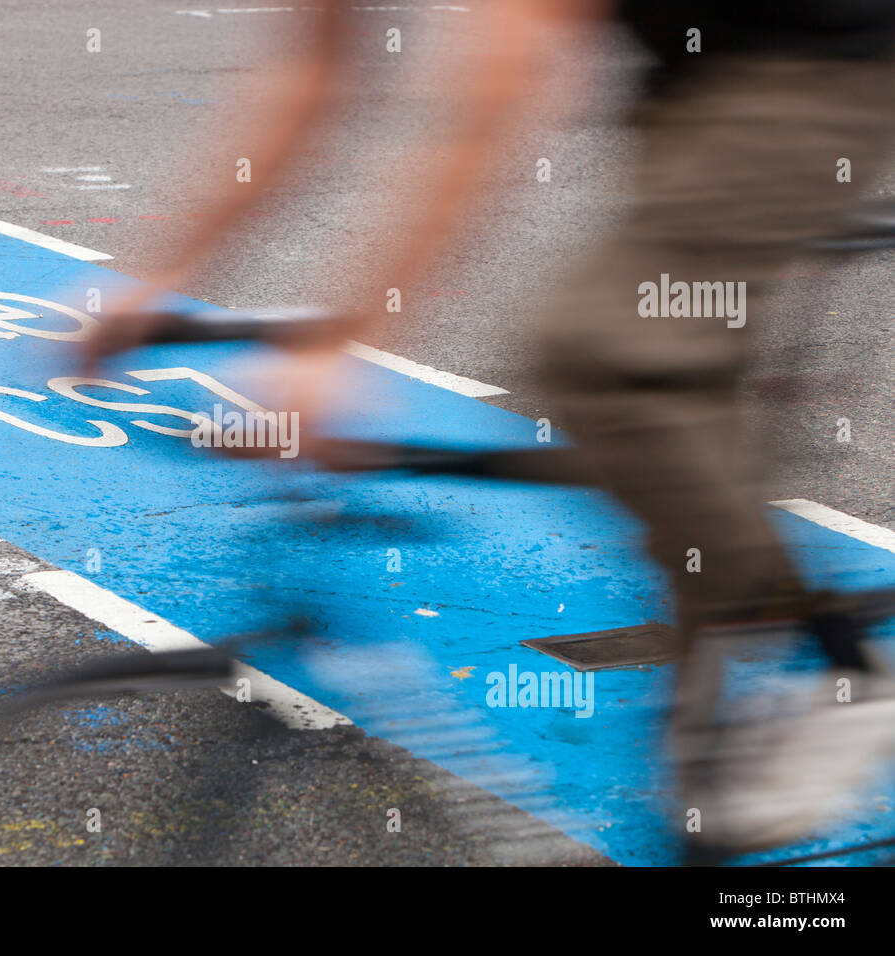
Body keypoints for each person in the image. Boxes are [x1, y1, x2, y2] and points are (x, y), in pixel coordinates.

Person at [82, 0, 895, 861]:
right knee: (681, 436)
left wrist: (339, 346)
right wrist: (157, 280)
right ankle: (710, 784)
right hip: (689, 88)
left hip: (815, 64)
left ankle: (845, 672)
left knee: (597, 354)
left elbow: (491, 95)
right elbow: (313, 73)